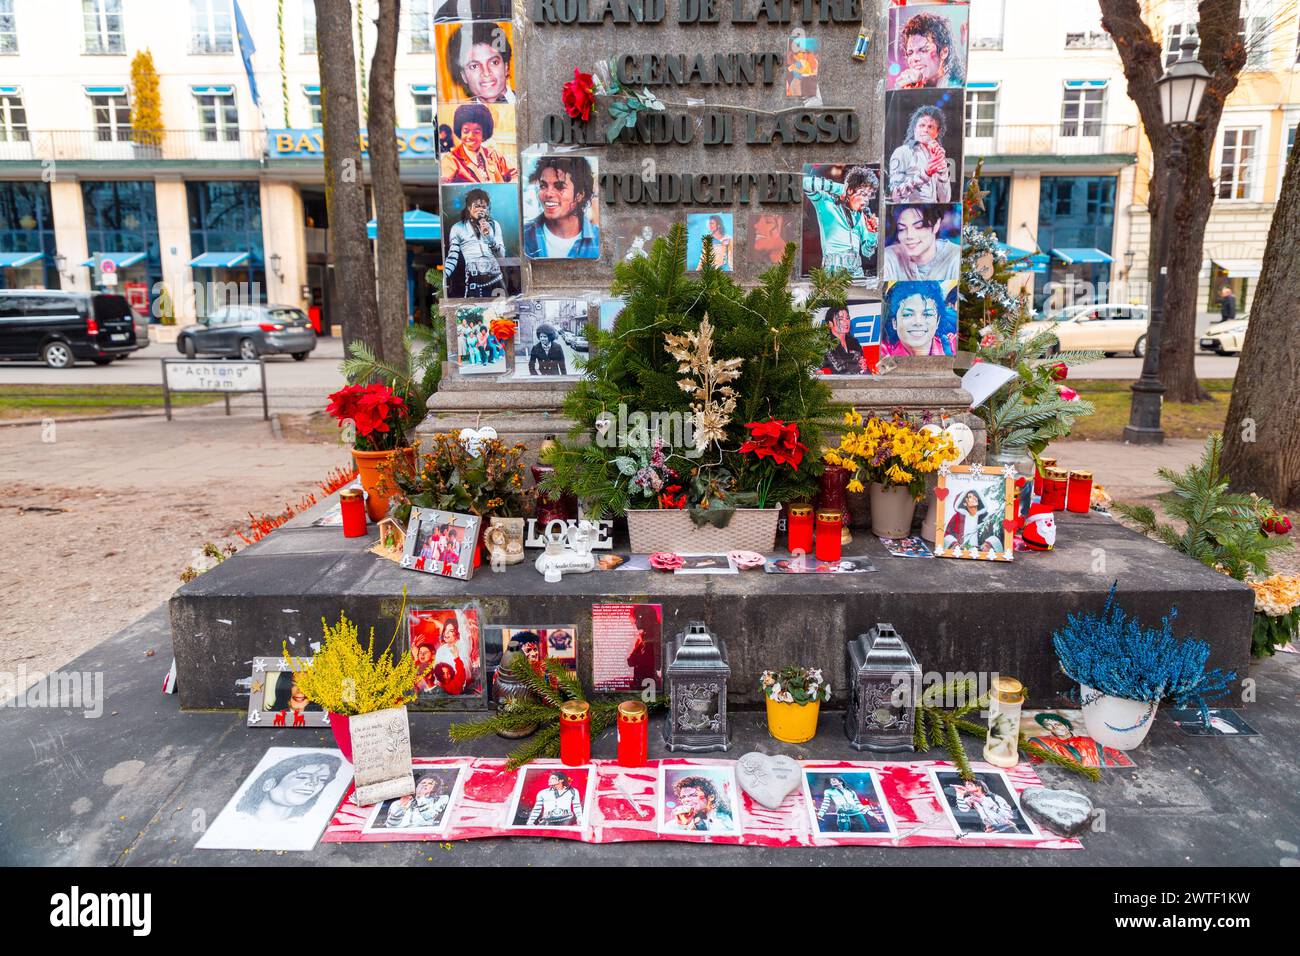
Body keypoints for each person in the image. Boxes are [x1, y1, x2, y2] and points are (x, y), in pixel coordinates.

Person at [803, 165, 879, 278]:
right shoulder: (826, 203)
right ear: (849, 190)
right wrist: (840, 189)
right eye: (863, 194)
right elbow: (805, 183)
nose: (866, 200)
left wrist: (872, 234)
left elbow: (867, 252)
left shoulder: (862, 216)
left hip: (857, 274)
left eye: (868, 195)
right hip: (833, 274)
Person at [523, 156, 600, 259]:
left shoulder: (599, 240)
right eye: (543, 186)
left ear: (580, 194)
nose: (548, 193)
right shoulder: (525, 235)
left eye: (559, 186)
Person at [235, 753, 341, 823]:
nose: (313, 783)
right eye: (302, 776)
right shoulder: (240, 819)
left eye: (322, 779)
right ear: (269, 784)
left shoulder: (308, 823)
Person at [443, 188, 508, 298]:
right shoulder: (458, 228)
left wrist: (490, 239)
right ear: (469, 208)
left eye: (483, 206)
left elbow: (502, 256)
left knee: (501, 315)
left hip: (496, 281)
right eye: (477, 206)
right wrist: (444, 277)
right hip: (474, 284)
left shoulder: (494, 225)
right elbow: (452, 257)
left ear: (487, 208)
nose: (480, 210)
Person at [888, 105, 952, 203]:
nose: (925, 130)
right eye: (922, 125)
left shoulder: (936, 155)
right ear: (914, 129)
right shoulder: (902, 152)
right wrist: (924, 174)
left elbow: (945, 199)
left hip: (932, 214)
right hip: (909, 214)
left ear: (937, 132)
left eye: (930, 127)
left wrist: (942, 170)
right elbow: (895, 196)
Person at [440, 103, 516, 184]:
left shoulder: (494, 155)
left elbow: (514, 175)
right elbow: (445, 184)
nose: (470, 136)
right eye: (466, 131)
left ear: (484, 133)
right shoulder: (451, 160)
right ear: (460, 132)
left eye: (476, 132)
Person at [882, 205, 961, 281]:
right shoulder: (888, 257)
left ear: (936, 225)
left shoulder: (955, 258)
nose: (909, 235)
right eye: (901, 229)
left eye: (918, 227)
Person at [444, 20, 515, 104]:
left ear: (506, 67)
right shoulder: (449, 115)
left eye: (494, 62)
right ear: (464, 76)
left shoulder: (530, 104)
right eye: (474, 66)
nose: (486, 73)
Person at [1029, 712, 1131, 767]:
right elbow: (1035, 762)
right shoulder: (1042, 743)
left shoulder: (1093, 740)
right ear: (1047, 729)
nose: (1054, 727)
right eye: (1049, 725)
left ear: (1067, 726)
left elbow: (1120, 757)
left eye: (1058, 724)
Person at [882, 281, 956, 357]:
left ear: (938, 321)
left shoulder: (953, 345)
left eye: (927, 314)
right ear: (894, 322)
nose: (918, 322)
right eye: (908, 314)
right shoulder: (882, 353)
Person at [893, 11, 964, 88]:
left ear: (944, 52)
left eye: (923, 50)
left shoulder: (958, 85)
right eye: (910, 53)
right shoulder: (910, 87)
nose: (915, 58)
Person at [815, 776, 887, 832]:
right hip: (843, 815)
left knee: (866, 830)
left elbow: (858, 804)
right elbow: (825, 803)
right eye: (831, 781)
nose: (832, 782)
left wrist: (874, 815)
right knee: (845, 833)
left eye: (834, 780)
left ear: (841, 782)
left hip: (857, 813)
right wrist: (820, 814)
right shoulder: (828, 791)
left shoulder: (851, 791)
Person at [383, 773, 450, 829]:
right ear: (417, 786)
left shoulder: (441, 799)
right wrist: (401, 807)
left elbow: (428, 816)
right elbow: (390, 825)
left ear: (434, 788)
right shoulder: (397, 803)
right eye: (423, 782)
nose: (425, 785)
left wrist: (421, 797)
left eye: (430, 784)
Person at [820, 305, 871, 375]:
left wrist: (863, 368)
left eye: (847, 318)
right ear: (830, 324)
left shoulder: (854, 342)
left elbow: (863, 369)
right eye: (840, 319)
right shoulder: (824, 345)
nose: (846, 322)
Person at [953, 780, 1018, 833]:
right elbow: (963, 809)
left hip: (1006, 828)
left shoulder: (995, 798)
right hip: (990, 831)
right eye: (966, 785)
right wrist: (959, 794)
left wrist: (983, 802)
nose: (967, 786)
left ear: (979, 786)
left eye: (969, 784)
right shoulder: (971, 799)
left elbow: (1009, 815)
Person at [434, 617, 469, 695]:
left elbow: (462, 676)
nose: (446, 633)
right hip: (442, 691)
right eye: (445, 630)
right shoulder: (441, 649)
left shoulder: (462, 645)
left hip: (457, 690)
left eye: (451, 631)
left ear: (457, 632)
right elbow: (436, 671)